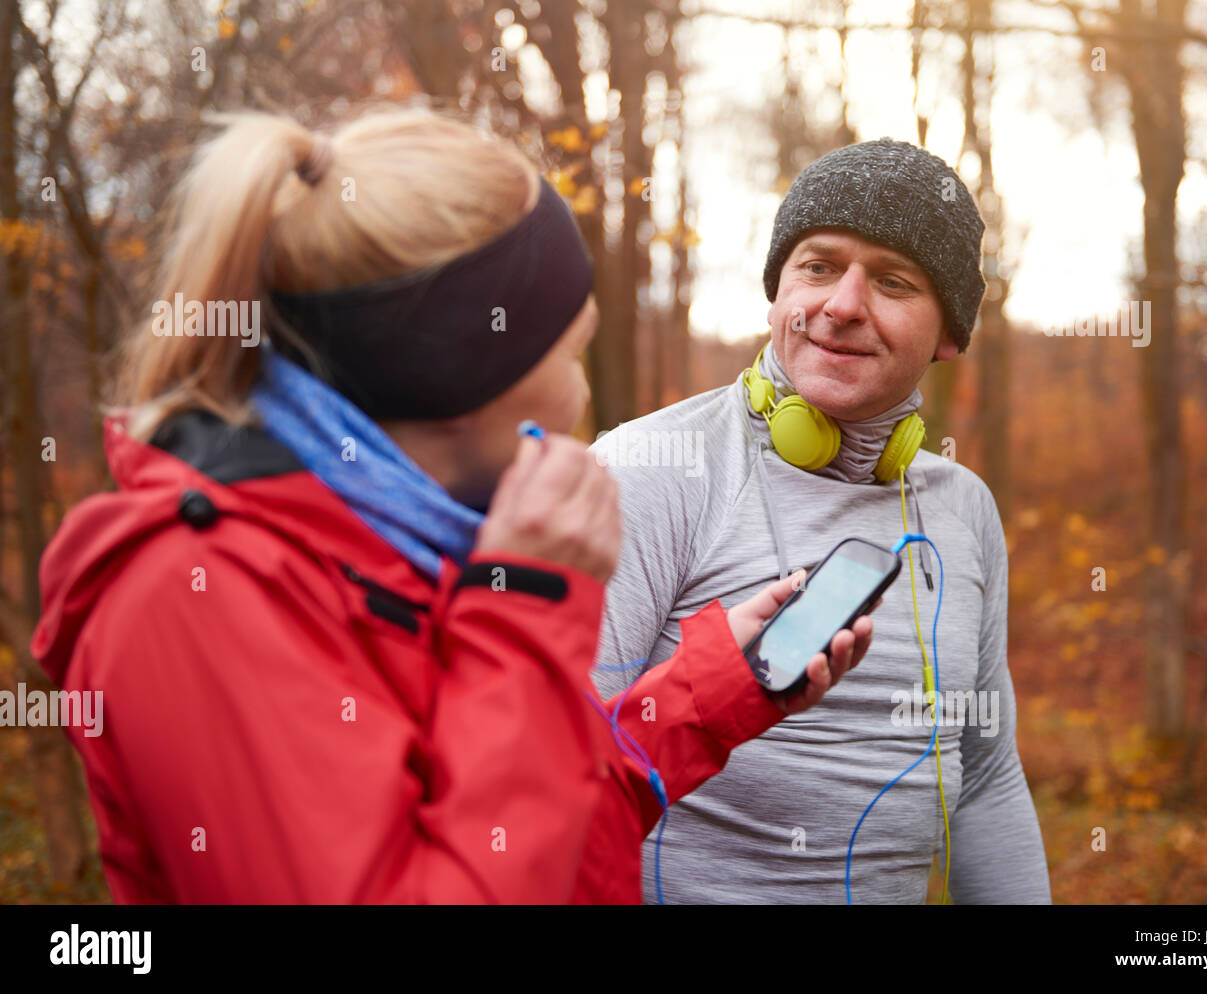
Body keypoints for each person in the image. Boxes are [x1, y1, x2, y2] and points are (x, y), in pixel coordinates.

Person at [29, 105, 876, 904]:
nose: (582, 395)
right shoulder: (191, 594)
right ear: (468, 378)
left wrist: (707, 692)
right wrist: (525, 608)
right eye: (573, 349)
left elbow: (537, 842)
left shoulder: (401, 541)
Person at [591, 139, 1052, 903]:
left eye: (893, 282)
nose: (841, 305)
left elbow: (987, 783)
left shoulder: (964, 509)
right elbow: (558, 767)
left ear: (948, 335)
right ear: (777, 293)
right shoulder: (649, 469)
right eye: (818, 266)